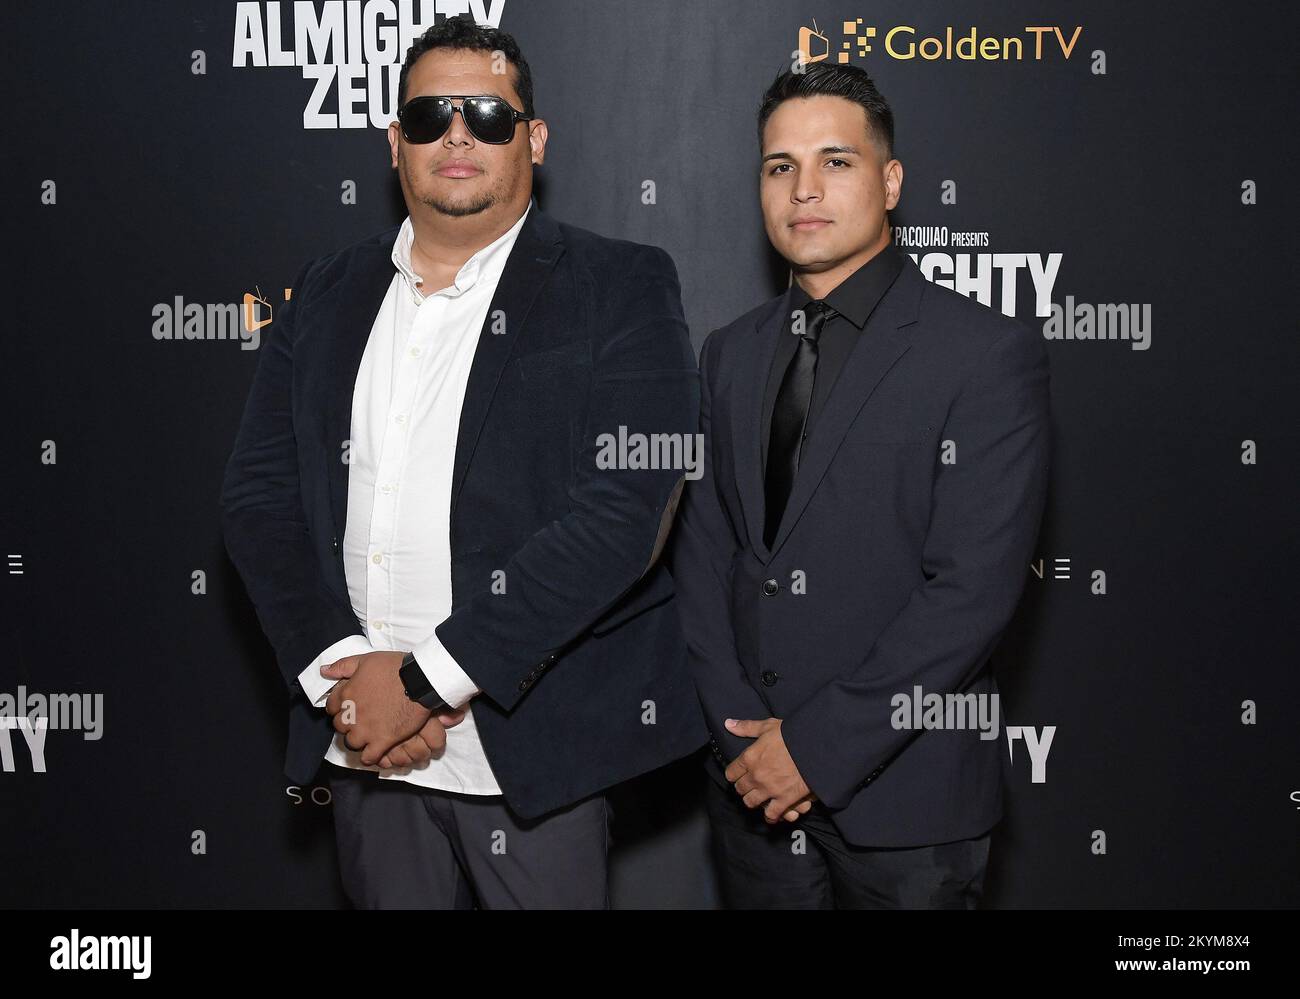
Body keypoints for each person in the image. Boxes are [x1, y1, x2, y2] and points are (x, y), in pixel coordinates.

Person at [220, 14, 706, 909]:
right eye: (431, 113)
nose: (457, 134)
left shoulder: (620, 283)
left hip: (531, 758)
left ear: (534, 138)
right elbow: (259, 497)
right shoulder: (326, 289)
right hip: (363, 746)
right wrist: (346, 677)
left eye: (487, 115)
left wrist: (422, 682)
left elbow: (624, 514)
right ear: (394, 140)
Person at [668, 61, 1051, 908]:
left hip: (909, 804)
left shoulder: (982, 353)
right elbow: (704, 556)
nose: (804, 189)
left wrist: (811, 749)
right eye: (780, 167)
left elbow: (971, 593)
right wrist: (742, 741)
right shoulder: (729, 352)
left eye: (835, 161)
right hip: (750, 793)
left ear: (891, 180)